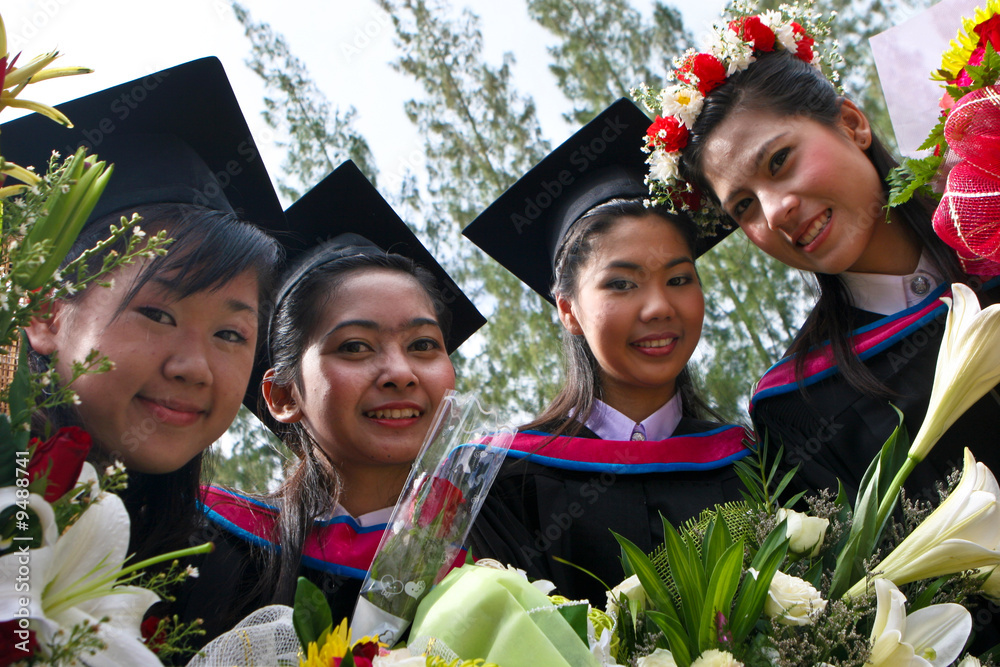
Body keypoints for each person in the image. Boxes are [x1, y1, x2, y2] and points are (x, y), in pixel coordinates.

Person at [641, 9, 1000, 504]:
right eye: (744, 206)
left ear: (852, 124)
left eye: (780, 161)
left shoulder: (991, 225)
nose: (776, 210)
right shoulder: (799, 405)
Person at [172, 160, 485, 644]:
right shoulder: (206, 545)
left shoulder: (500, 555)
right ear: (282, 395)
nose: (400, 374)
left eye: (423, 345)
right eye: (355, 346)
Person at [463, 99, 750, 607]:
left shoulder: (751, 460)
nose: (659, 306)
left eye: (680, 279)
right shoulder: (509, 480)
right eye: (622, 284)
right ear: (569, 310)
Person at [11, 58, 284, 563]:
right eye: (159, 315)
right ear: (47, 315)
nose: (195, 367)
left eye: (230, 334)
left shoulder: (228, 576)